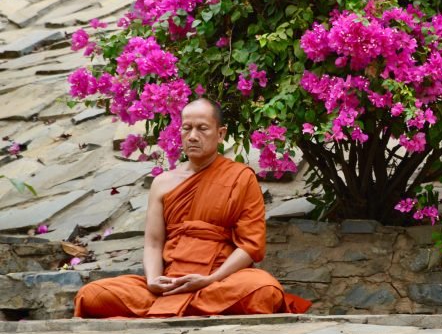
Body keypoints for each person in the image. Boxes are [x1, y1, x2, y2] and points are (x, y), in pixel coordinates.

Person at [74, 99, 311, 317]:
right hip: (169, 282)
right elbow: (154, 243)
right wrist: (153, 280)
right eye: (187, 128)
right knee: (92, 294)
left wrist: (210, 279)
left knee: (264, 289)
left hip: (219, 280)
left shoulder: (241, 177)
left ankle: (172, 308)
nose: (193, 136)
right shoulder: (163, 182)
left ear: (220, 134)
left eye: (202, 128)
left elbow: (251, 246)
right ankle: (184, 306)